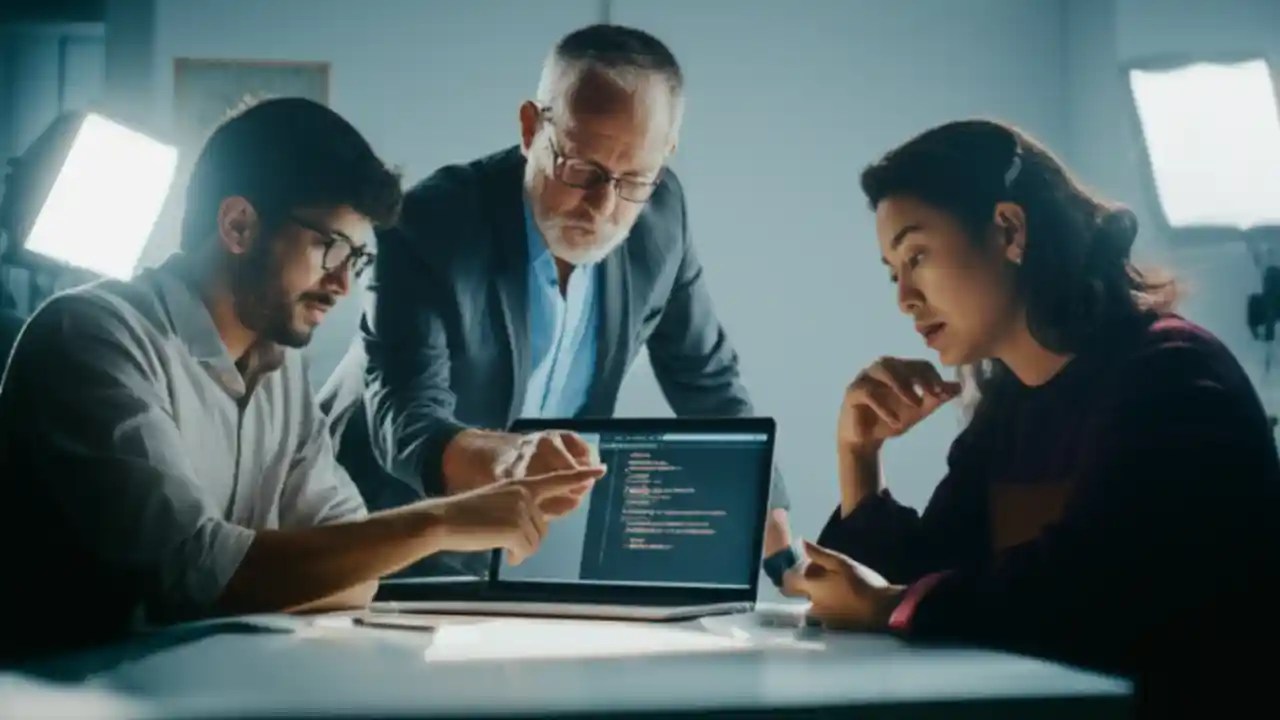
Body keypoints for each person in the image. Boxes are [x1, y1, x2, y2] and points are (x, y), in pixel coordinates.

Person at [0, 98, 604, 658]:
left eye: (358, 260)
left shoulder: (281, 373)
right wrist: (444, 519)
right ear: (238, 226)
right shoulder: (90, 336)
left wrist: (303, 565)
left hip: (205, 694)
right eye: (331, 248)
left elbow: (352, 569)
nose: (344, 284)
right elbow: (197, 578)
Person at [792, 119, 1280, 707]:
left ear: (1008, 229)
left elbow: (1083, 592)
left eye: (917, 254)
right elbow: (926, 571)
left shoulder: (1172, 375)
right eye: (895, 271)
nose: (904, 298)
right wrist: (860, 456)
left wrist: (891, 604)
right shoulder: (1012, 404)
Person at [321, 24, 797, 581]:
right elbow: (407, 416)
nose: (603, 205)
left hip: (523, 549)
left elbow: (709, 383)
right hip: (381, 526)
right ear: (531, 127)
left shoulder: (663, 215)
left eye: (634, 178)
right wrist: (509, 460)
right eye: (582, 169)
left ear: (665, 157)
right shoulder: (429, 223)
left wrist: (781, 548)